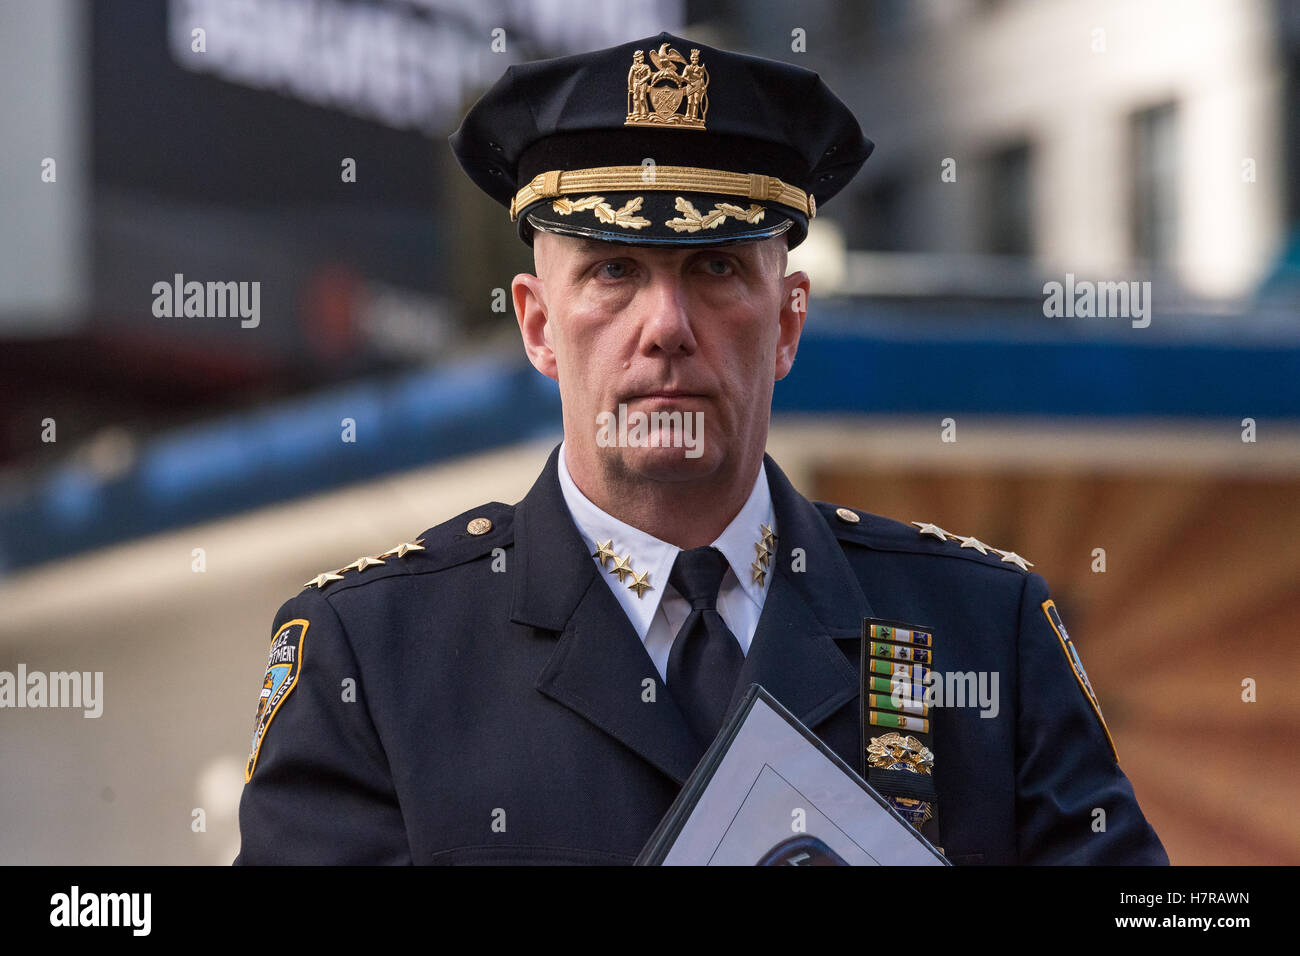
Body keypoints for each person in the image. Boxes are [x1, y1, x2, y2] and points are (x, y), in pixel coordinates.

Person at [235, 32, 1168, 865]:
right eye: (613, 271)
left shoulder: (984, 631)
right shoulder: (374, 659)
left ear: (790, 322)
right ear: (537, 325)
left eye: (716, 268)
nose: (666, 327)